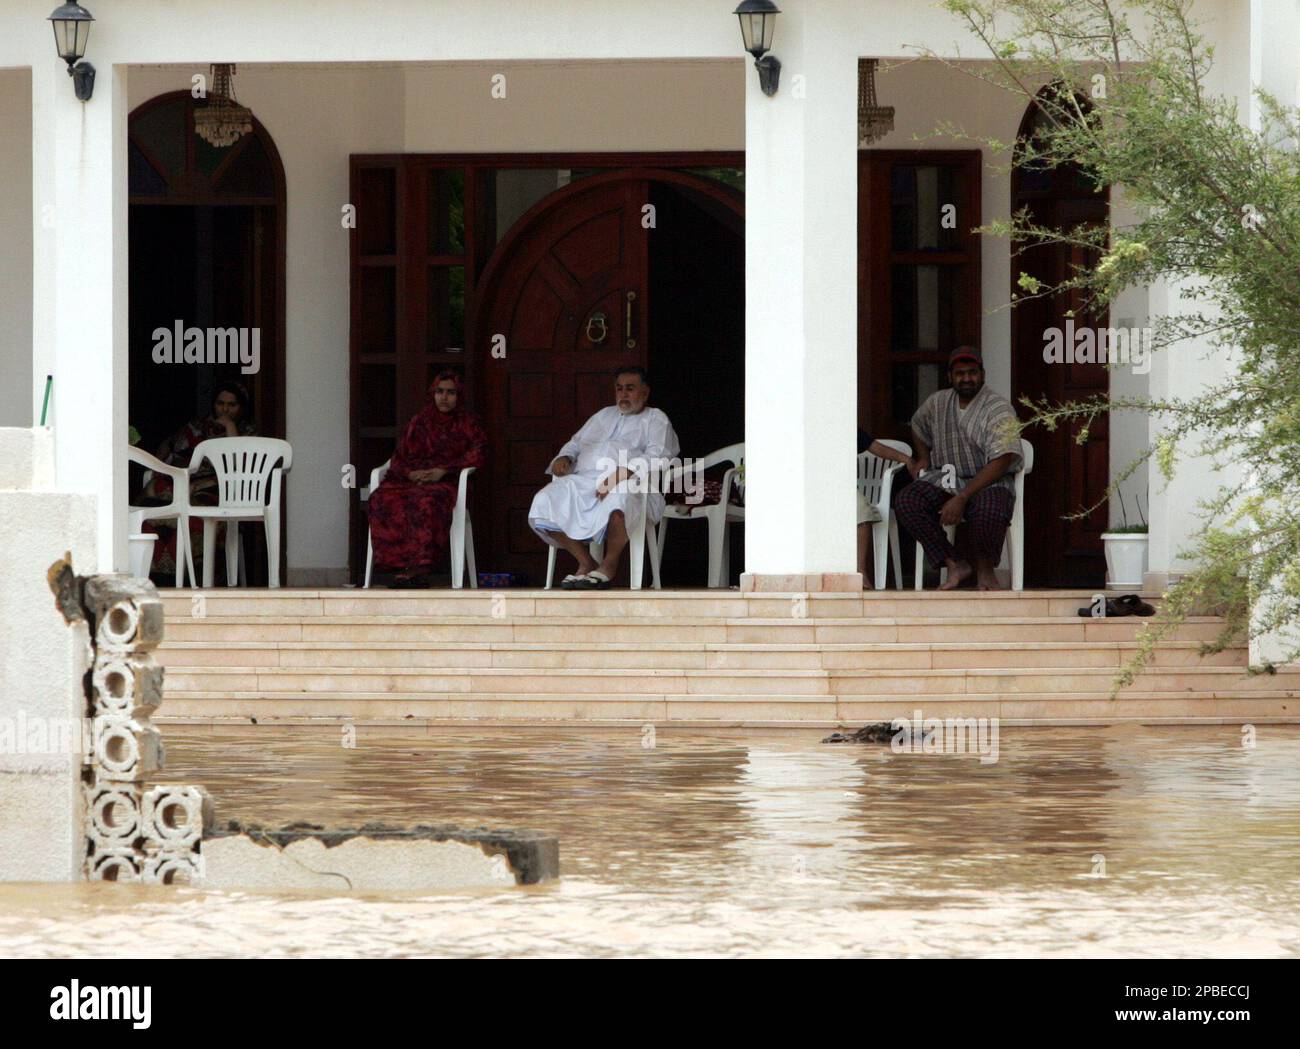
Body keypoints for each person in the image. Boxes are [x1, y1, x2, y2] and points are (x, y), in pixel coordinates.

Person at [529, 366, 679, 589]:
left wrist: (622, 473)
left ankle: (609, 564)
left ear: (645, 392)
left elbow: (661, 455)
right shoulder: (604, 415)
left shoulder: (655, 419)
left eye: (630, 389)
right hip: (583, 480)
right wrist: (565, 456)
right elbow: (576, 443)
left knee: (620, 497)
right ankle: (586, 562)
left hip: (632, 482)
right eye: (619, 389)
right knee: (544, 501)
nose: (623, 394)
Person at [894, 347, 1022, 591]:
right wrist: (923, 457)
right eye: (960, 373)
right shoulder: (938, 402)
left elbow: (1003, 460)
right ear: (949, 376)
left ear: (982, 375)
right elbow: (918, 425)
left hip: (989, 480)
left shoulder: (998, 408)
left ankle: (985, 571)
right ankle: (954, 563)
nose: (966, 378)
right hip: (947, 478)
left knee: (989, 509)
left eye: (972, 373)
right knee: (908, 501)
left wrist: (962, 497)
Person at [367, 371, 488, 587]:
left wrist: (443, 470)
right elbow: (401, 456)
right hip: (412, 480)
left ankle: (417, 569)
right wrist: (411, 474)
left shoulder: (468, 423)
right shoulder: (420, 421)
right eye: (440, 392)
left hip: (447, 482)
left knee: (426, 502)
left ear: (458, 395)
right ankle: (396, 566)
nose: (444, 397)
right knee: (381, 498)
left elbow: (477, 454)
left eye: (451, 392)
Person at [140, 381, 256, 582]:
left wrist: (229, 427)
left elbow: (237, 464)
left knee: (197, 512)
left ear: (242, 407)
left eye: (232, 404)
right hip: (186, 479)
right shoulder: (198, 426)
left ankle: (192, 577)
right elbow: (173, 448)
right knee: (154, 497)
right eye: (220, 403)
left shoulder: (248, 431)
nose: (225, 409)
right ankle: (156, 575)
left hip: (220, 488)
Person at [857, 427, 918, 588]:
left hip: (842, 487)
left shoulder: (844, 426)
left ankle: (860, 571)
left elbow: (876, 448)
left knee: (862, 510)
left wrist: (907, 459)